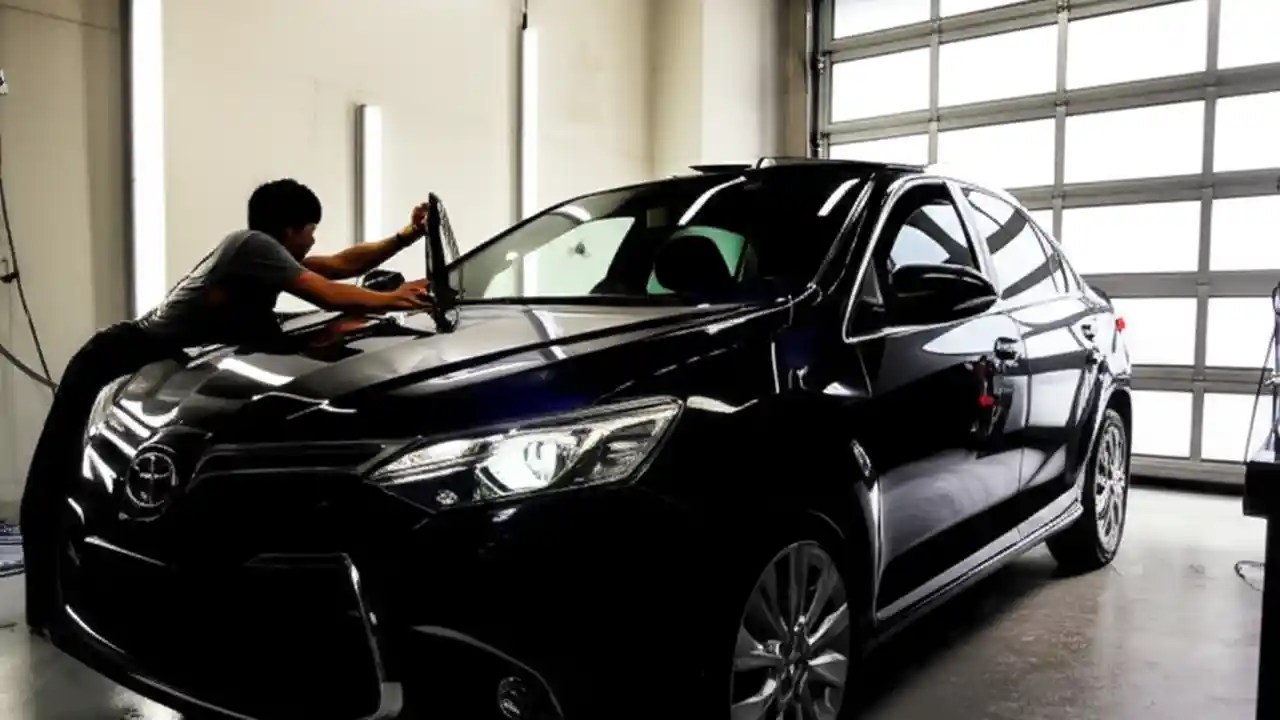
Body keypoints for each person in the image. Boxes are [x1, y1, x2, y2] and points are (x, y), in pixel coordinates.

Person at [21, 178, 432, 634]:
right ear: (291, 228)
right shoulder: (251, 245)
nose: (314, 239)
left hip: (148, 363)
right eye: (311, 228)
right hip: (114, 358)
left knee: (82, 482)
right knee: (58, 473)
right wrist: (391, 299)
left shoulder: (262, 258)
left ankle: (62, 604)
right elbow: (326, 291)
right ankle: (47, 607)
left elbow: (338, 266)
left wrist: (406, 236)